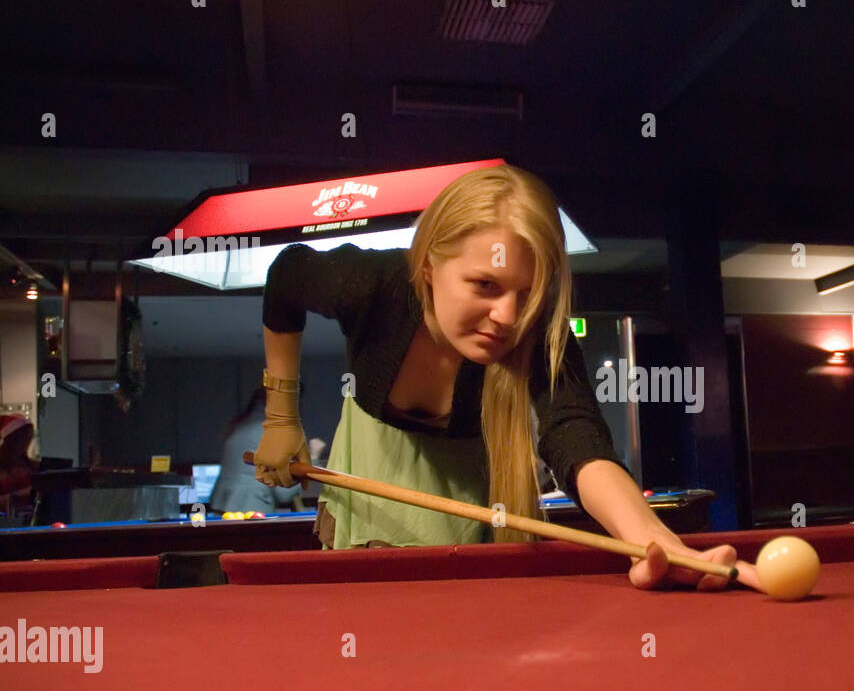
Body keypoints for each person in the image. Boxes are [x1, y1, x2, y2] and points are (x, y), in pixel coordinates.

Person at [255, 164, 739, 590]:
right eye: (484, 285)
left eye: (526, 293)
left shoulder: (539, 327)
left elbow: (577, 438)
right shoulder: (367, 284)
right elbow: (284, 278)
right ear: (427, 265)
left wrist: (651, 539)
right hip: (364, 492)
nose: (508, 317)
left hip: (471, 512)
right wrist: (281, 418)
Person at [210, 387, 302, 515]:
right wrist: (311, 459)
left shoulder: (242, 423)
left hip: (224, 508)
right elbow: (284, 493)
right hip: (251, 510)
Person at [0, 414, 38, 522]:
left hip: (32, 522)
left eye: (29, 437)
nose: (27, 442)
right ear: (12, 439)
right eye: (23, 437)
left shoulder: (33, 466)